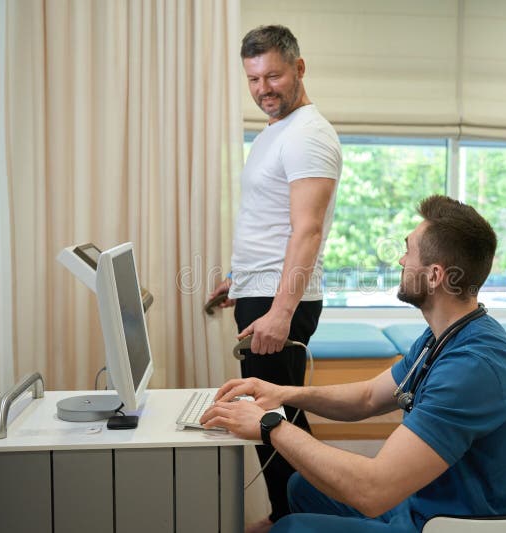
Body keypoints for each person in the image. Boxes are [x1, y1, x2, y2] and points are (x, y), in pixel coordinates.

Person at [202, 195, 506, 533]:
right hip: (422, 505)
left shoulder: (472, 367)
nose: (402, 260)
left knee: (292, 528)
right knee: (301, 487)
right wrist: (283, 393)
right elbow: (368, 397)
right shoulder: (445, 336)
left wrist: (269, 425)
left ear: (434, 276)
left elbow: (372, 490)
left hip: (451, 525)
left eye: (409, 251)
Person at [206, 24, 342, 531]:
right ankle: (293, 514)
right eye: (253, 78)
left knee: (278, 420)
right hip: (259, 290)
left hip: (279, 302)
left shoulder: (309, 134)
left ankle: (307, 516)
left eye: (274, 75)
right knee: (275, 418)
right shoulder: (274, 132)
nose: (264, 88)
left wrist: (281, 310)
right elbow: (270, 221)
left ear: (299, 69)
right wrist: (238, 279)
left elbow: (306, 230)